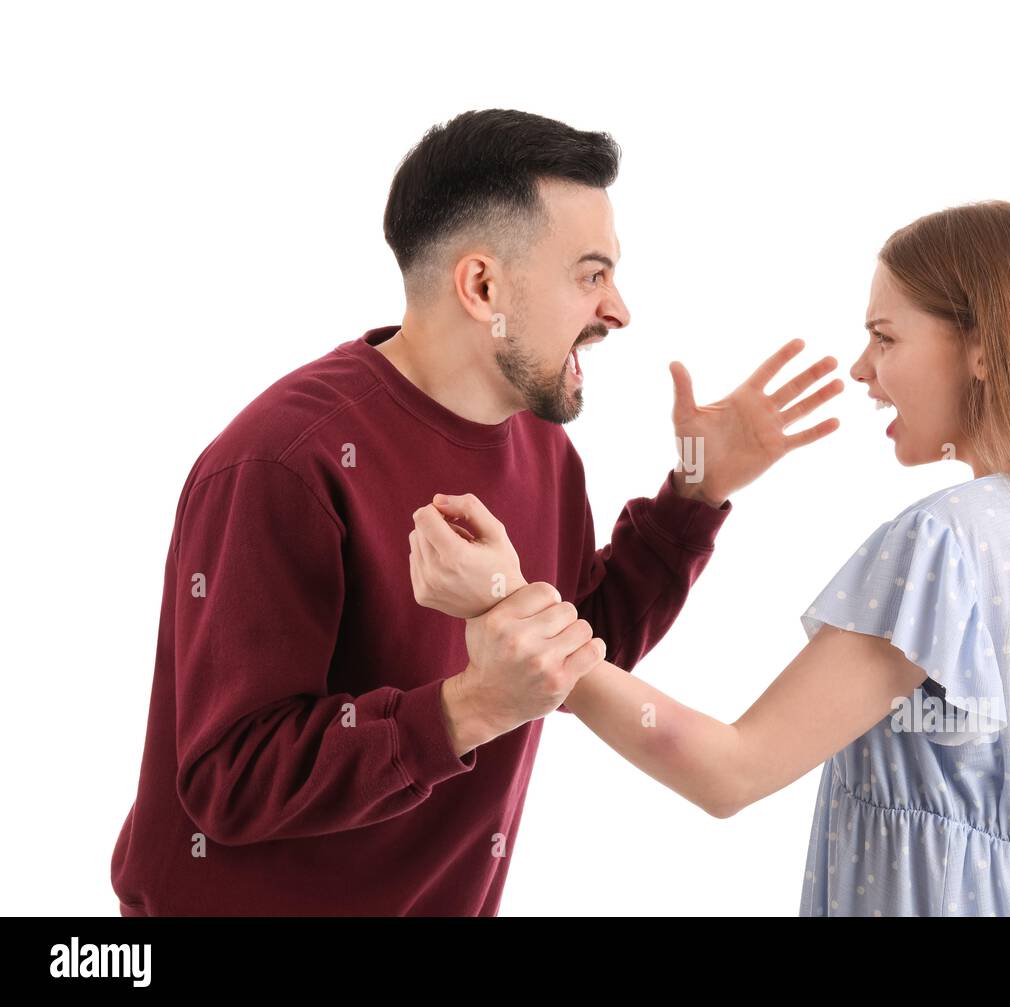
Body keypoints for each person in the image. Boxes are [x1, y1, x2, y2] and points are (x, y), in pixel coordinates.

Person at [109, 108, 842, 916]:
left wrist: (696, 491)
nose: (618, 310)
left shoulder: (541, 445)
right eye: (590, 276)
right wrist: (470, 706)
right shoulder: (283, 463)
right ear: (483, 287)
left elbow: (571, 647)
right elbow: (230, 777)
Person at [411, 200, 1010, 916]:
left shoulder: (943, 542)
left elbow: (731, 770)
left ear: (982, 348)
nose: (861, 369)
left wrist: (509, 608)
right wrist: (697, 490)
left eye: (885, 338)